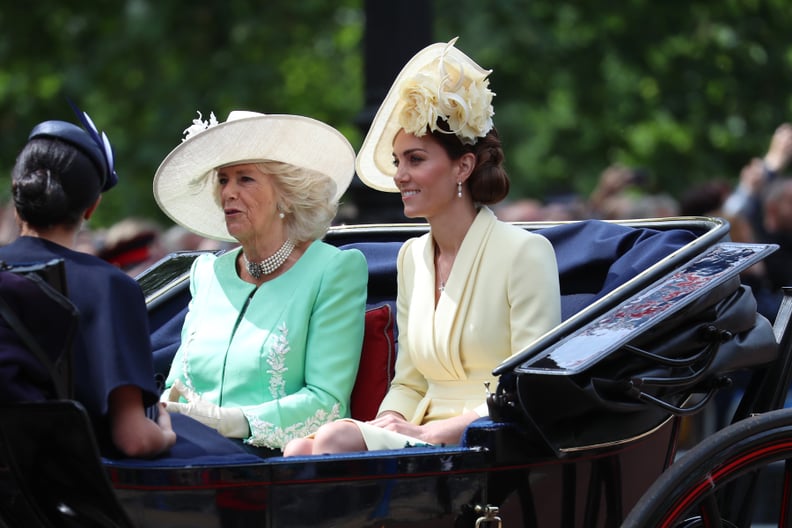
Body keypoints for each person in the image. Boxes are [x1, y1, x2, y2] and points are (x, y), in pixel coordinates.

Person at [284, 38, 562, 455]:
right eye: (398, 162)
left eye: (415, 159)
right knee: (298, 449)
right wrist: (391, 419)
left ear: (462, 167)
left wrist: (434, 433)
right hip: (422, 436)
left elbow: (527, 390)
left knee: (330, 440)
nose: (400, 176)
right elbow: (409, 381)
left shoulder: (526, 253)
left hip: (488, 437)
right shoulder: (411, 257)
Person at [153, 110, 368, 452]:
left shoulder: (334, 270)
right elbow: (176, 385)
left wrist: (233, 421)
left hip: (266, 460)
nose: (228, 193)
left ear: (285, 194)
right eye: (223, 180)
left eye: (245, 179)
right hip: (185, 447)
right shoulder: (207, 274)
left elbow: (328, 402)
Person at [0, 108, 177, 458]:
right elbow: (134, 438)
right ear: (91, 207)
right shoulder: (109, 286)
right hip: (59, 496)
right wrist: (166, 434)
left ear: (18, 197)